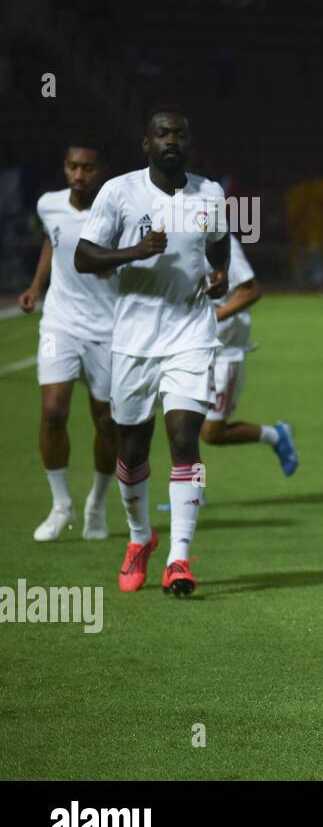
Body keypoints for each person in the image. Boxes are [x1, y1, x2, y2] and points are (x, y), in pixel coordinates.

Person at [75, 106, 231, 596]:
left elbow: (220, 245)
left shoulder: (211, 193)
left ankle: (179, 560)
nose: (171, 140)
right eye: (162, 133)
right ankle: (140, 538)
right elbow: (84, 256)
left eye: (179, 134)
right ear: (147, 144)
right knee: (133, 448)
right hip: (135, 340)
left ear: (189, 142)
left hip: (191, 332)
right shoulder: (119, 191)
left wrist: (219, 272)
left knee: (185, 437)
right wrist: (134, 252)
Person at [19, 141, 118, 542]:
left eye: (88, 168)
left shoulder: (117, 209)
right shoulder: (49, 204)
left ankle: (97, 502)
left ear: (101, 170)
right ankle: (61, 505)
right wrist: (35, 285)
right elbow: (52, 240)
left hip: (108, 328)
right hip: (60, 322)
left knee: (108, 422)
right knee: (54, 411)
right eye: (73, 167)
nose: (80, 175)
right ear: (64, 168)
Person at [198, 236, 299, 474]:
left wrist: (213, 318)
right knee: (182, 426)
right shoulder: (176, 235)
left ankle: (274, 435)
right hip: (189, 348)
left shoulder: (220, 240)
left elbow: (251, 290)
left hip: (224, 352)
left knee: (212, 433)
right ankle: (189, 496)